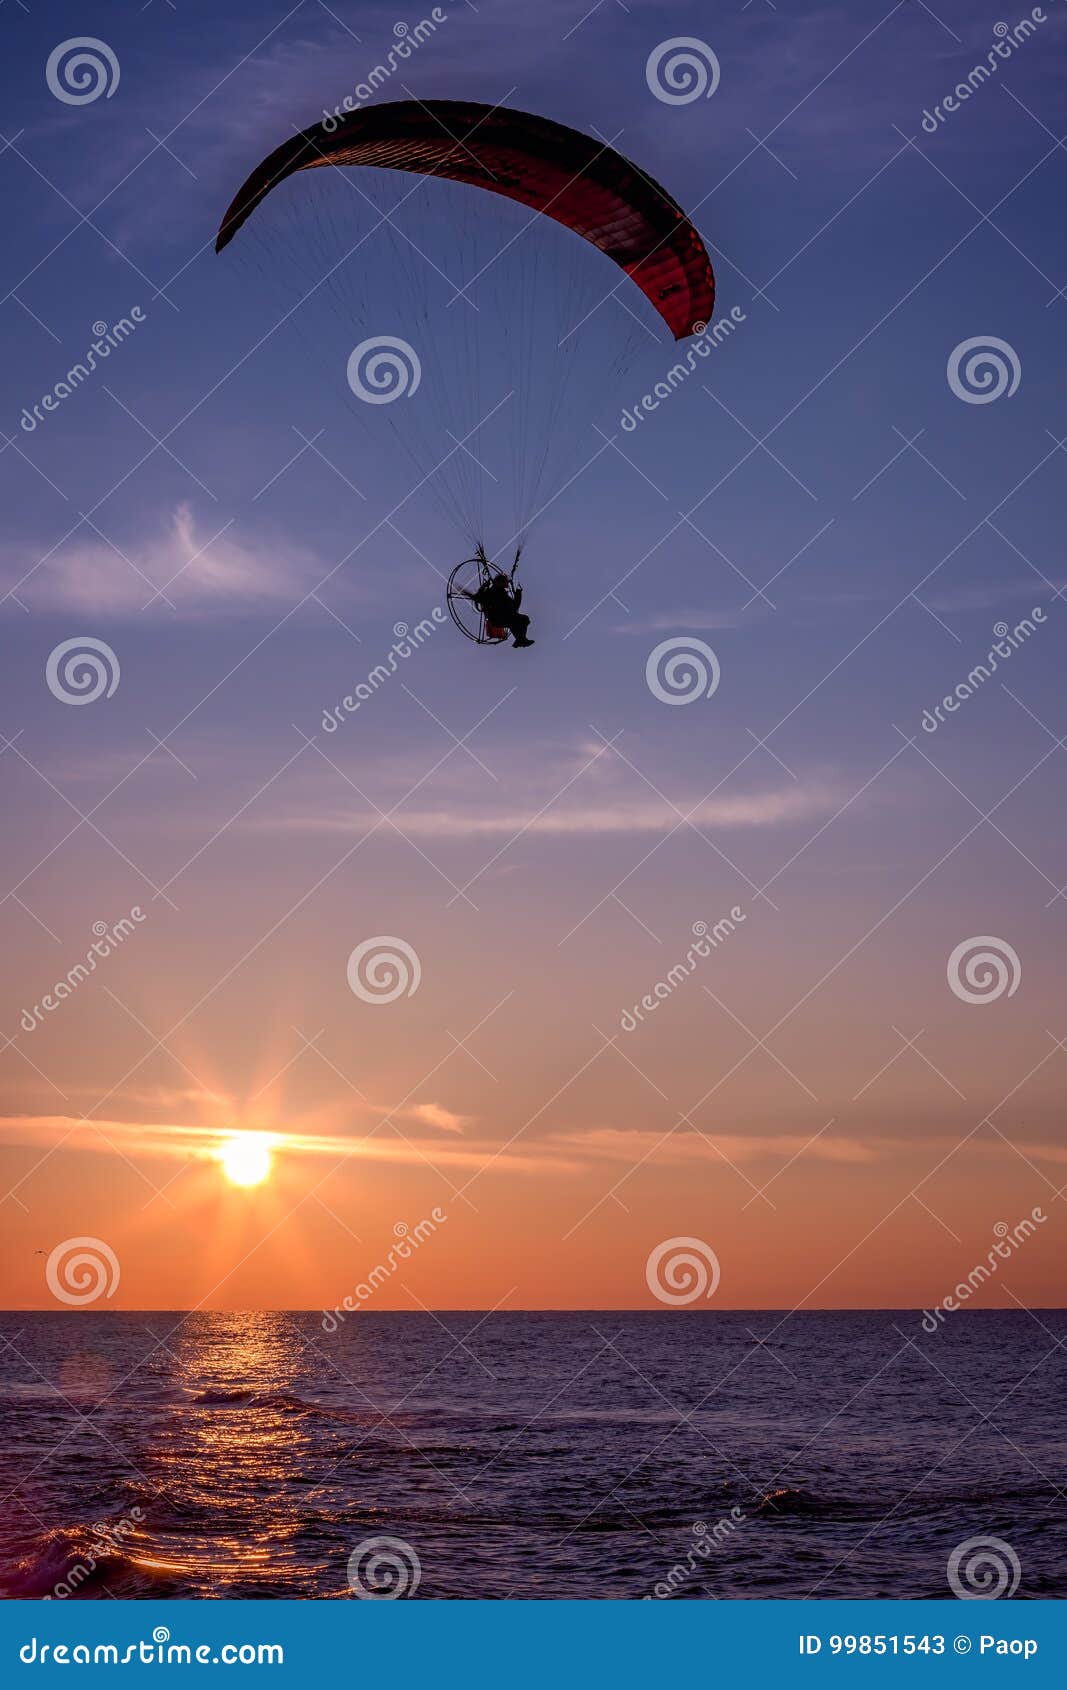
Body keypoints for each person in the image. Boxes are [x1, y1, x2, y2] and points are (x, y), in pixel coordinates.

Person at [469, 546, 534, 647]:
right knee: (519, 620)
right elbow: (478, 598)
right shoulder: (492, 592)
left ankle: (520, 640)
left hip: (505, 616)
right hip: (497, 618)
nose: (507, 584)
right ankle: (520, 640)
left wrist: (518, 593)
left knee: (521, 620)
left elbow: (515, 607)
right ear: (499, 582)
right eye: (505, 582)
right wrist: (482, 588)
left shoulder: (502, 593)